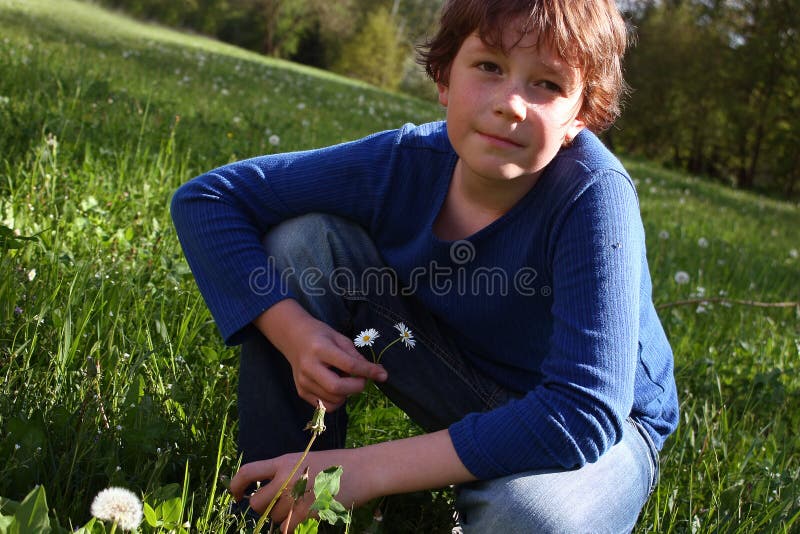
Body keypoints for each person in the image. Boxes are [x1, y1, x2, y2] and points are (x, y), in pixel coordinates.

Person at [171, 0, 679, 531]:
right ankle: (277, 499)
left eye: (547, 85)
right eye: (489, 67)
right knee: (301, 243)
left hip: (604, 429)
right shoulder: (403, 163)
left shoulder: (594, 198)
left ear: (580, 115)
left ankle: (483, 490)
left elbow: (583, 411)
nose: (511, 104)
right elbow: (209, 200)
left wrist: (366, 469)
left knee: (532, 517)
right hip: (460, 376)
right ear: (443, 78)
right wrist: (293, 331)